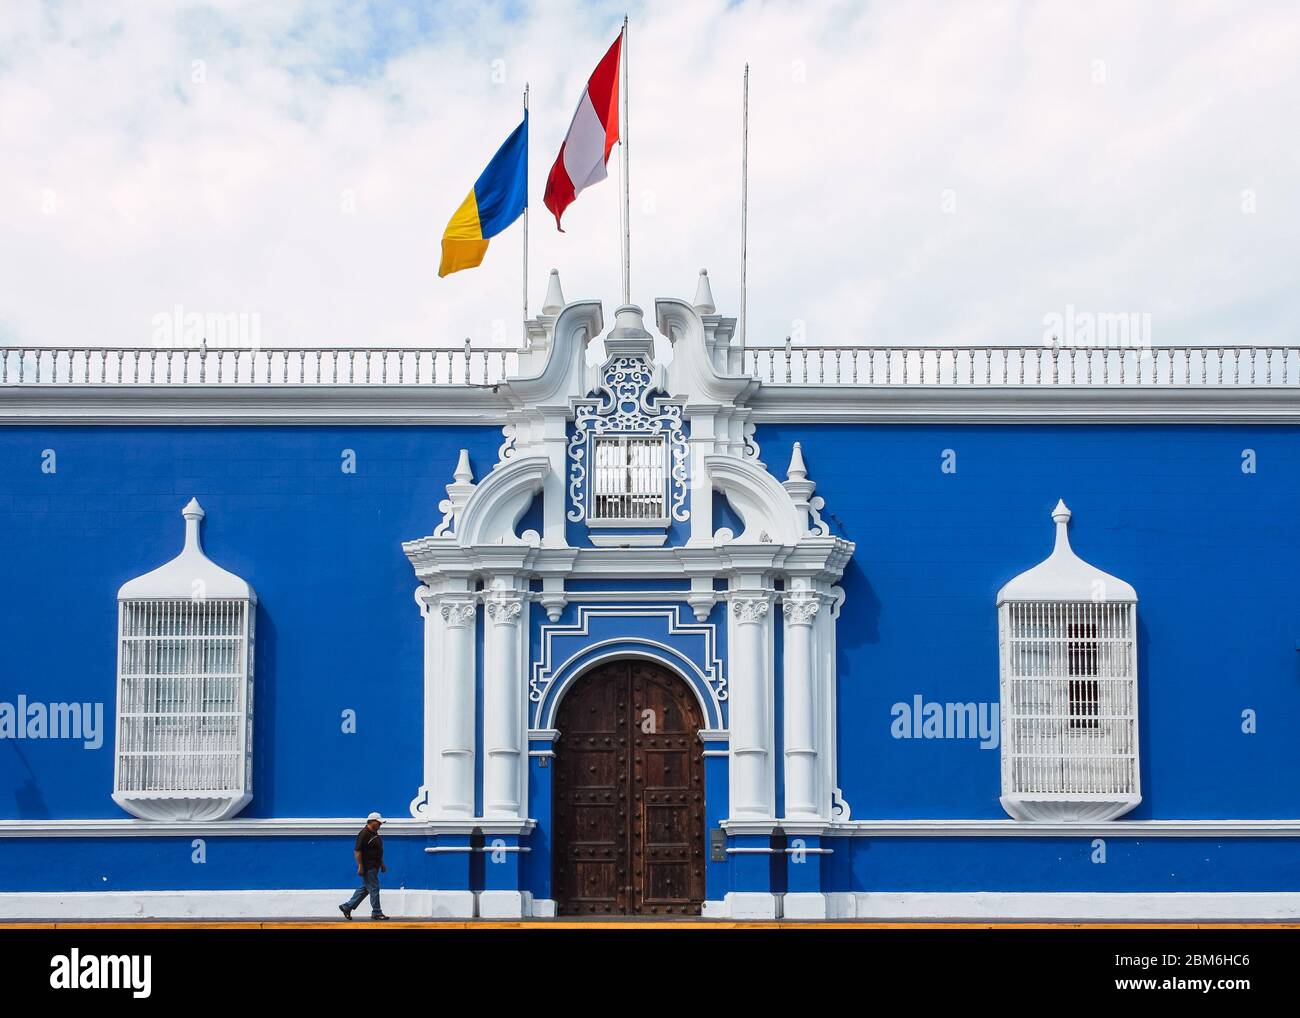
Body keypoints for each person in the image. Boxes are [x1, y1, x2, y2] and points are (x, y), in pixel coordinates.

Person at [339, 812, 388, 920]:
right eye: (378, 822)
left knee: (366, 888)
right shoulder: (364, 834)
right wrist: (360, 866)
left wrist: (382, 864)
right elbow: (357, 851)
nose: (380, 825)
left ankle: (347, 906)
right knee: (374, 888)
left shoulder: (374, 833)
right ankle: (376, 912)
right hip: (368, 866)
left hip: (375, 865)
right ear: (372, 822)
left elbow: (378, 850)